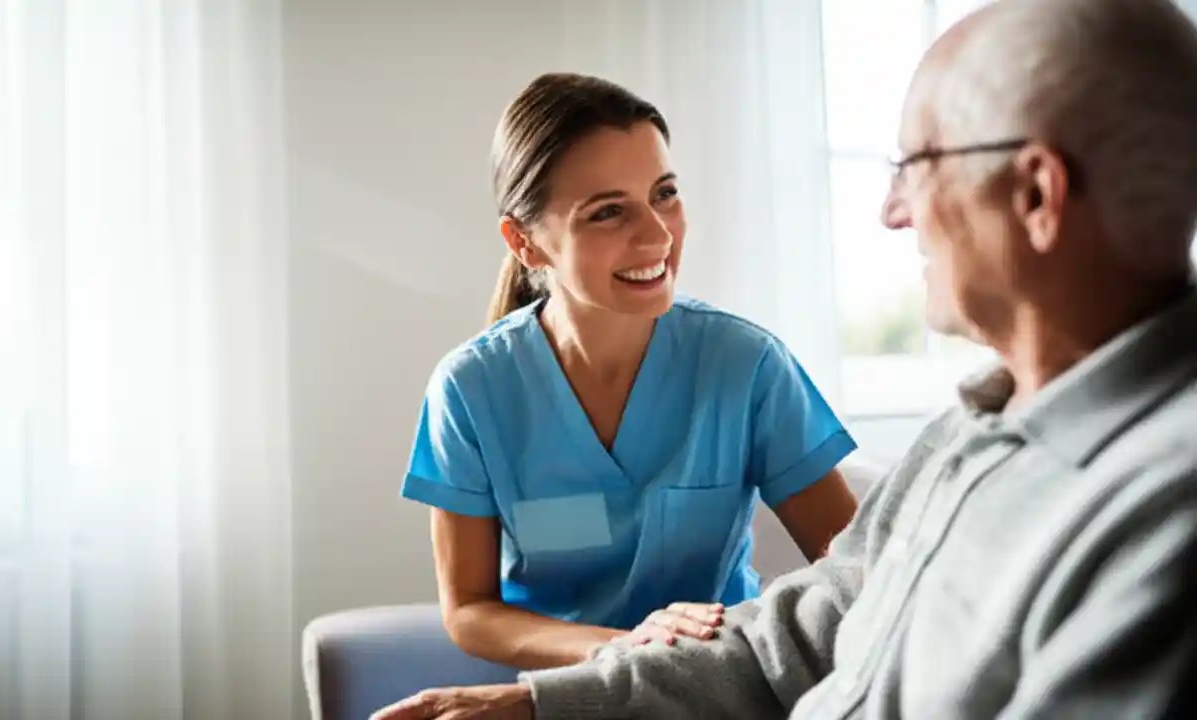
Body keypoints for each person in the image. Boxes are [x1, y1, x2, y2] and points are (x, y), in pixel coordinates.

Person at [374, 0, 1197, 716]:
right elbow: (818, 619)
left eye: (916, 165)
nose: (889, 211)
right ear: (526, 243)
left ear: (1034, 197)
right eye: (607, 212)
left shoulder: (1161, 515)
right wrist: (544, 703)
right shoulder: (959, 438)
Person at [399, 73, 860, 671]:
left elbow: (858, 569)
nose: (658, 233)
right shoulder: (470, 391)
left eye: (664, 193)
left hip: (717, 687)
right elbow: (469, 610)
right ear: (525, 242)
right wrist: (620, 648)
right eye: (608, 212)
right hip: (564, 694)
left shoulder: (746, 366)